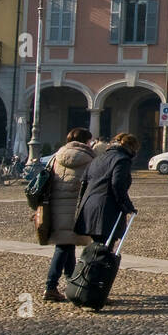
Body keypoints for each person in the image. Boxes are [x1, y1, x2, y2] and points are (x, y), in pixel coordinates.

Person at [40, 128, 96, 302]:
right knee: (63, 247)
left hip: (56, 206)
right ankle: (50, 286)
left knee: (66, 244)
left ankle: (72, 282)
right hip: (76, 208)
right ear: (86, 141)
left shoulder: (57, 156)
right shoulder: (89, 158)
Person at [75, 132, 139, 246]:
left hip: (89, 206)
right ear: (132, 148)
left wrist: (81, 206)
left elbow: (84, 182)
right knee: (105, 249)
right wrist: (127, 206)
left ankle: (90, 263)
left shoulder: (98, 158)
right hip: (107, 208)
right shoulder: (122, 160)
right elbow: (117, 184)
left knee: (97, 246)